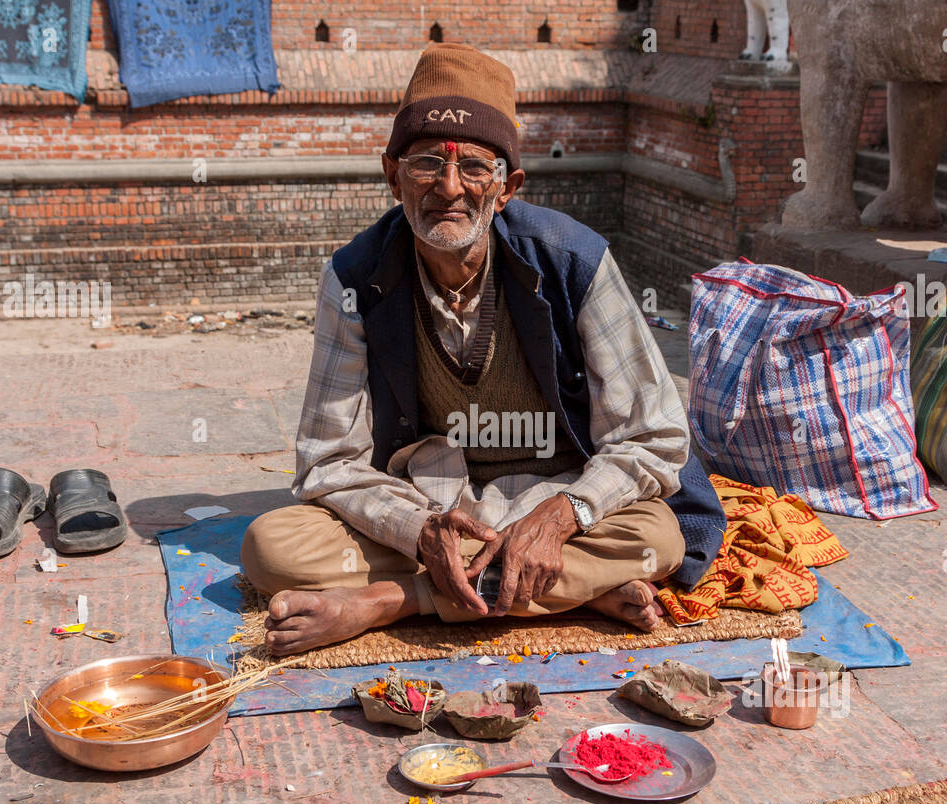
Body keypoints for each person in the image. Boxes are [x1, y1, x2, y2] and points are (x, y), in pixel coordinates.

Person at [241, 42, 725, 655]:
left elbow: (654, 437)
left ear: (506, 188)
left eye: (474, 167)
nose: (448, 188)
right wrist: (419, 530)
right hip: (430, 498)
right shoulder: (356, 279)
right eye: (425, 164)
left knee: (659, 536)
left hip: (561, 491)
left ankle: (396, 602)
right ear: (393, 176)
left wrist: (559, 518)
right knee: (271, 546)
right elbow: (328, 460)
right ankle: (571, 588)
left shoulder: (574, 261)